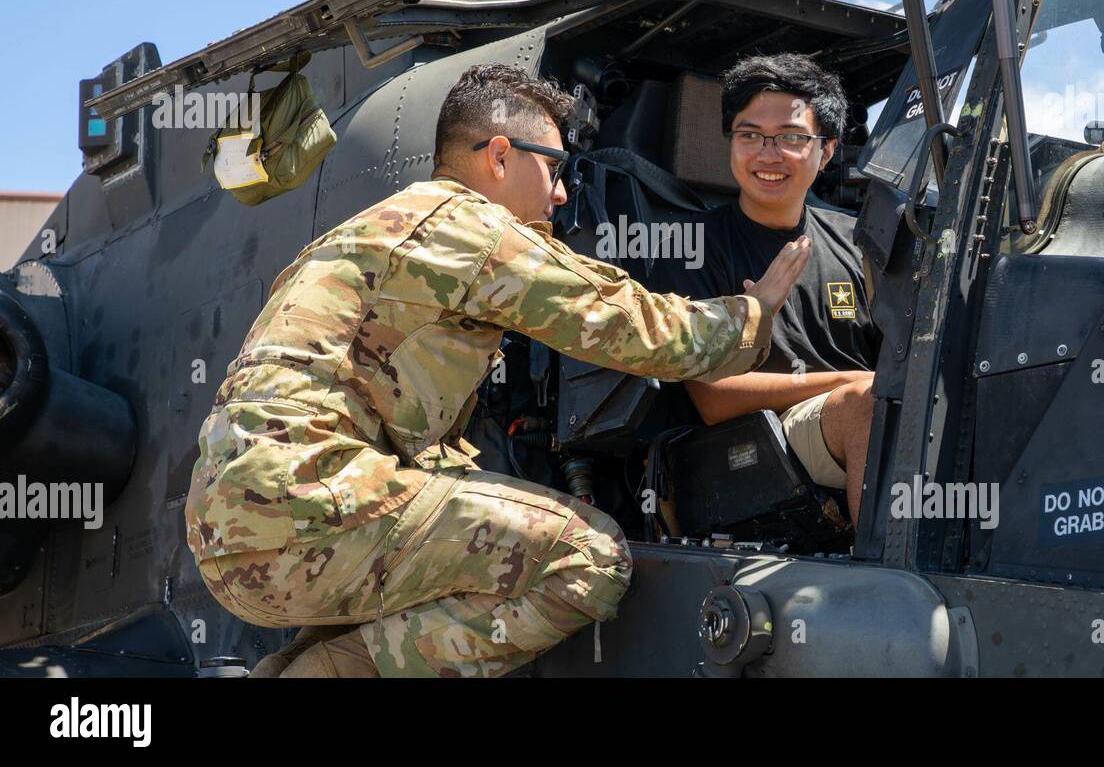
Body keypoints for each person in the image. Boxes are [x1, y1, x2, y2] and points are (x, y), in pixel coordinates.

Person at [184, 63, 811, 677]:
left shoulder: (361, 234)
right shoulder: (467, 225)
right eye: (554, 167)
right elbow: (625, 323)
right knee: (587, 558)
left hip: (230, 537)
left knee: (413, 597)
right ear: (501, 157)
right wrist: (750, 316)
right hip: (306, 502)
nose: (563, 193)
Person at [652, 54, 880, 526]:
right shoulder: (690, 246)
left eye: (792, 138)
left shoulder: (861, 243)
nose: (768, 154)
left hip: (849, 422)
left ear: (828, 150)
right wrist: (852, 383)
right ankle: (887, 578)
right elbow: (715, 398)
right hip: (747, 447)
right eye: (749, 135)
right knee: (870, 405)